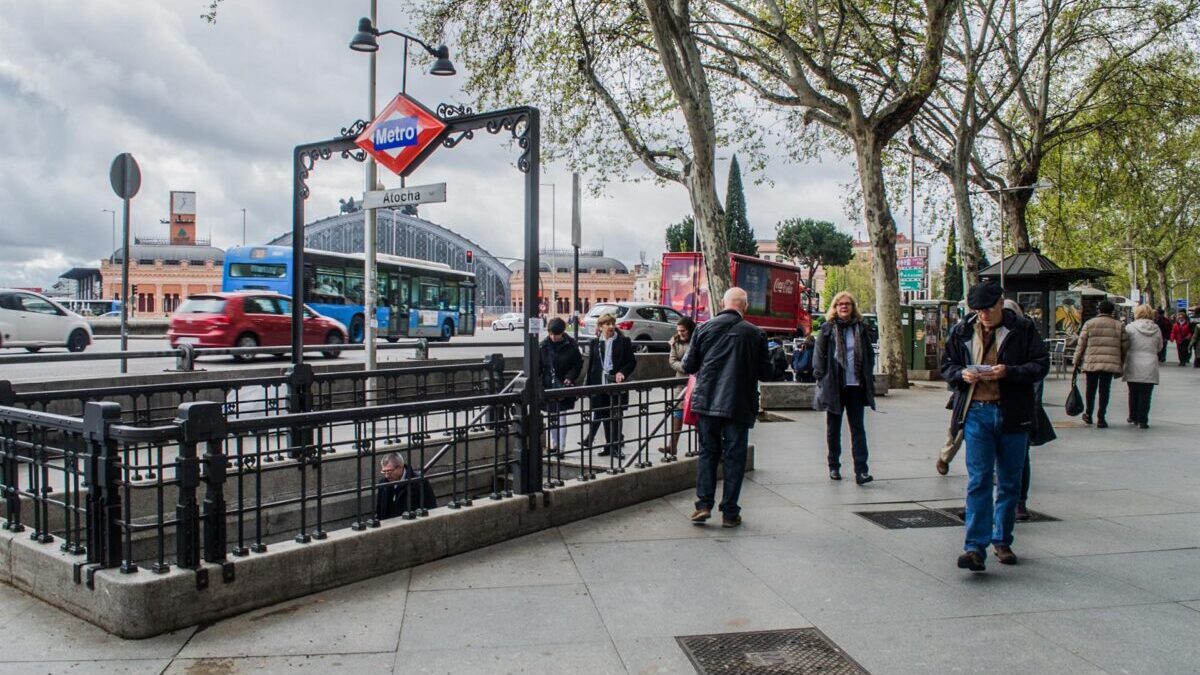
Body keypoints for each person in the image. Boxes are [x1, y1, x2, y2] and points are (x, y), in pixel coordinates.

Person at [941, 281, 1048, 571]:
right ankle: (974, 547)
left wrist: (1009, 372)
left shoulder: (1022, 329)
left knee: (1010, 482)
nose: (984, 316)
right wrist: (962, 374)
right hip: (976, 412)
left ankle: (1002, 539)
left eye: (988, 309)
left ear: (1001, 303)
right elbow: (946, 366)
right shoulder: (962, 330)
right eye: (978, 311)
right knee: (979, 480)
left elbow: (1040, 365)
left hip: (1013, 413)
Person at [682, 287, 772, 528]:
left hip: (707, 402)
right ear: (746, 306)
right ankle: (730, 512)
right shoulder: (756, 334)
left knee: (708, 453)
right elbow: (766, 372)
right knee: (734, 458)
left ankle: (703, 505)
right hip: (739, 404)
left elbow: (689, 365)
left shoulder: (703, 328)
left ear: (722, 304)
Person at [814, 291, 878, 485]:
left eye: (847, 304)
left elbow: (869, 354)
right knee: (833, 429)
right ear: (834, 307)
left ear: (853, 307)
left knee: (858, 428)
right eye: (840, 304)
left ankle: (861, 470)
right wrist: (820, 377)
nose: (843, 307)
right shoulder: (827, 329)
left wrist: (867, 374)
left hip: (856, 386)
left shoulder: (860, 328)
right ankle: (834, 466)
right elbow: (819, 356)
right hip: (834, 385)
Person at [584, 313, 636, 459]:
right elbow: (591, 366)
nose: (611, 326)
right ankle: (608, 446)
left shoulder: (623, 341)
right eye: (607, 324)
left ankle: (617, 447)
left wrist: (622, 373)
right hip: (599, 384)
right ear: (600, 327)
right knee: (604, 415)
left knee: (616, 415)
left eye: (613, 323)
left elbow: (631, 362)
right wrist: (588, 387)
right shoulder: (595, 342)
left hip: (615, 384)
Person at [1073, 300, 1128, 428]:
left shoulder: (1089, 324)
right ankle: (1101, 417)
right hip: (1109, 363)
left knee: (1090, 389)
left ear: (1099, 310)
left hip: (1092, 362)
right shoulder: (1119, 325)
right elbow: (1125, 345)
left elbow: (1081, 344)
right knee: (1105, 389)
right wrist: (1121, 359)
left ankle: (1088, 414)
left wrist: (1076, 360)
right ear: (1112, 311)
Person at [540, 317, 583, 454]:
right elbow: (539, 366)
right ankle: (554, 444)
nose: (553, 337)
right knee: (552, 416)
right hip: (549, 385)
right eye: (551, 334)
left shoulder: (571, 345)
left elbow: (577, 364)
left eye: (556, 334)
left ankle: (561, 447)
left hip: (564, 384)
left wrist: (570, 377)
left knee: (561, 416)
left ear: (562, 332)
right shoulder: (543, 345)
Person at [661, 316, 696, 457]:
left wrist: (689, 367)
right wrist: (684, 367)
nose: (681, 333)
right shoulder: (675, 341)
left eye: (684, 331)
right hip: (681, 381)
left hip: (695, 382)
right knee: (677, 412)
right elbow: (672, 360)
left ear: (690, 330)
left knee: (697, 413)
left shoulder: (696, 340)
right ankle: (672, 446)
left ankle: (701, 445)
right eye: (679, 330)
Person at [1125, 305, 1163, 429]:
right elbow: (1160, 346)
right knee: (1146, 394)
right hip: (1150, 362)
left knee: (1133, 392)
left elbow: (1125, 344)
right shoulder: (1156, 329)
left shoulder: (1130, 327)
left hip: (1133, 361)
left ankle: (1133, 416)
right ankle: (1143, 420)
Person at [375, 452, 437, 521]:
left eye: (389, 471)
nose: (387, 476)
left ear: (400, 467)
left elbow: (431, 508)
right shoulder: (383, 483)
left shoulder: (419, 483)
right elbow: (379, 510)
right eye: (384, 472)